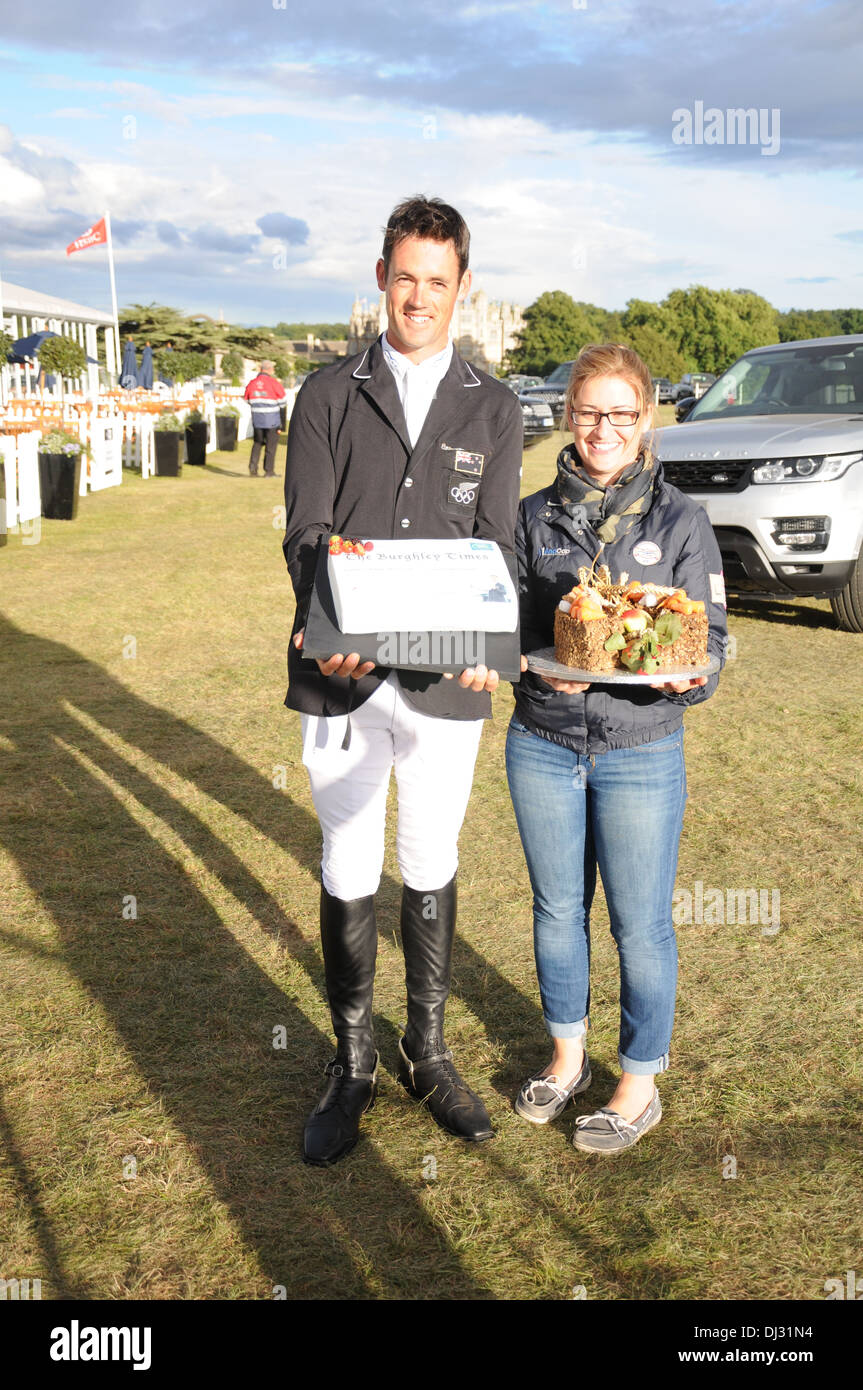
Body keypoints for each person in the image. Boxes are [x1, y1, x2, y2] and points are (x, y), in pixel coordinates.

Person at [283, 196, 523, 1166]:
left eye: (438, 279)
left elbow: (496, 546)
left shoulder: (494, 405)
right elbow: (308, 529)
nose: (418, 296)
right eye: (404, 276)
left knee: (427, 857)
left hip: (445, 685)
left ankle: (425, 1052)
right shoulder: (326, 394)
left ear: (461, 287)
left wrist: (484, 630)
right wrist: (327, 618)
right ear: (380, 275)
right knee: (347, 860)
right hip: (343, 677)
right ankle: (352, 1064)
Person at [506, 342, 727, 1153]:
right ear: (568, 416)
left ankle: (637, 1082)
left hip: (641, 748)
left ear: (646, 421)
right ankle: (565, 1058)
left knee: (639, 922)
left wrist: (685, 681)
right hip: (542, 740)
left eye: (621, 414)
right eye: (589, 412)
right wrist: (534, 667)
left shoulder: (681, 521)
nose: (603, 429)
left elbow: (712, 643)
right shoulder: (530, 517)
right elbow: (513, 635)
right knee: (557, 908)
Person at [244, 360, 286, 476]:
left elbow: (247, 399)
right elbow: (283, 402)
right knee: (270, 446)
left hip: (257, 420)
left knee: (257, 443)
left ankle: (253, 469)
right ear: (270, 370)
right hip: (272, 421)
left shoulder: (252, 383)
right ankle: (269, 471)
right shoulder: (274, 383)